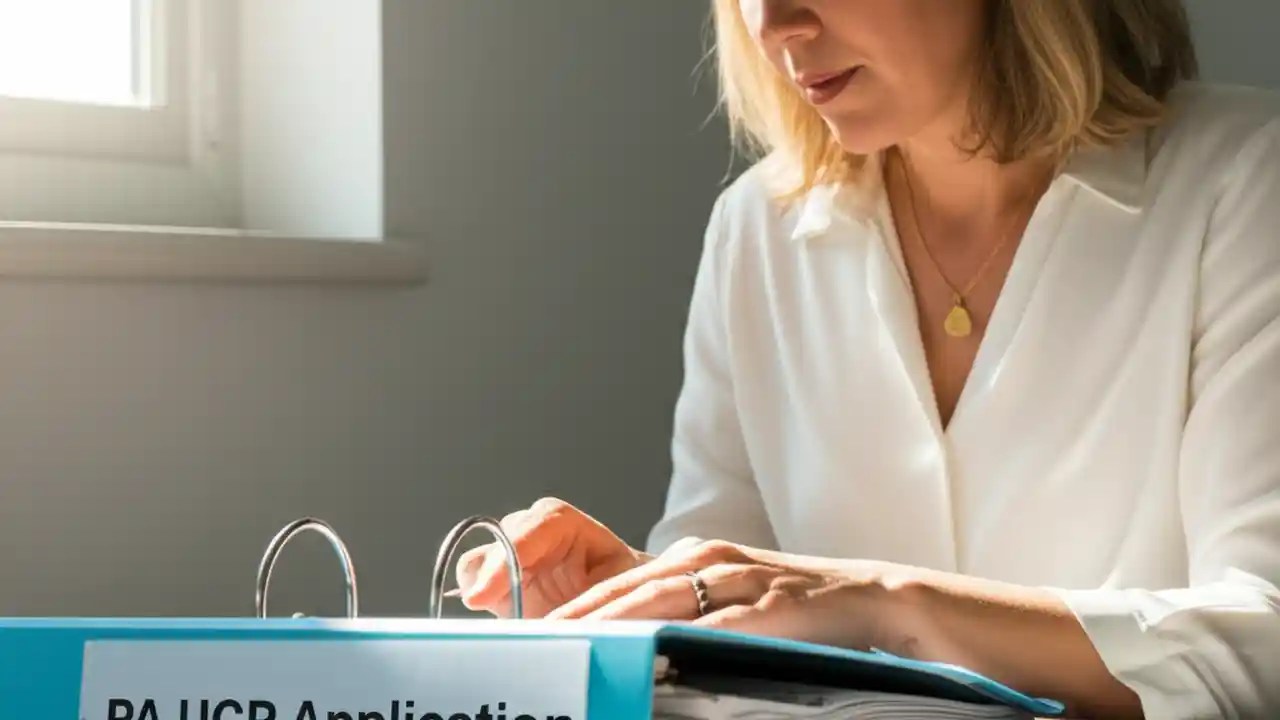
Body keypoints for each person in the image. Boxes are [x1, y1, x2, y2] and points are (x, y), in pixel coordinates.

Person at [455, 1, 1280, 717]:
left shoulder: (1246, 183)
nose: (775, 23)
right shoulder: (756, 233)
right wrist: (649, 599)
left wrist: (883, 609)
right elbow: (734, 650)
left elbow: (1264, 639)